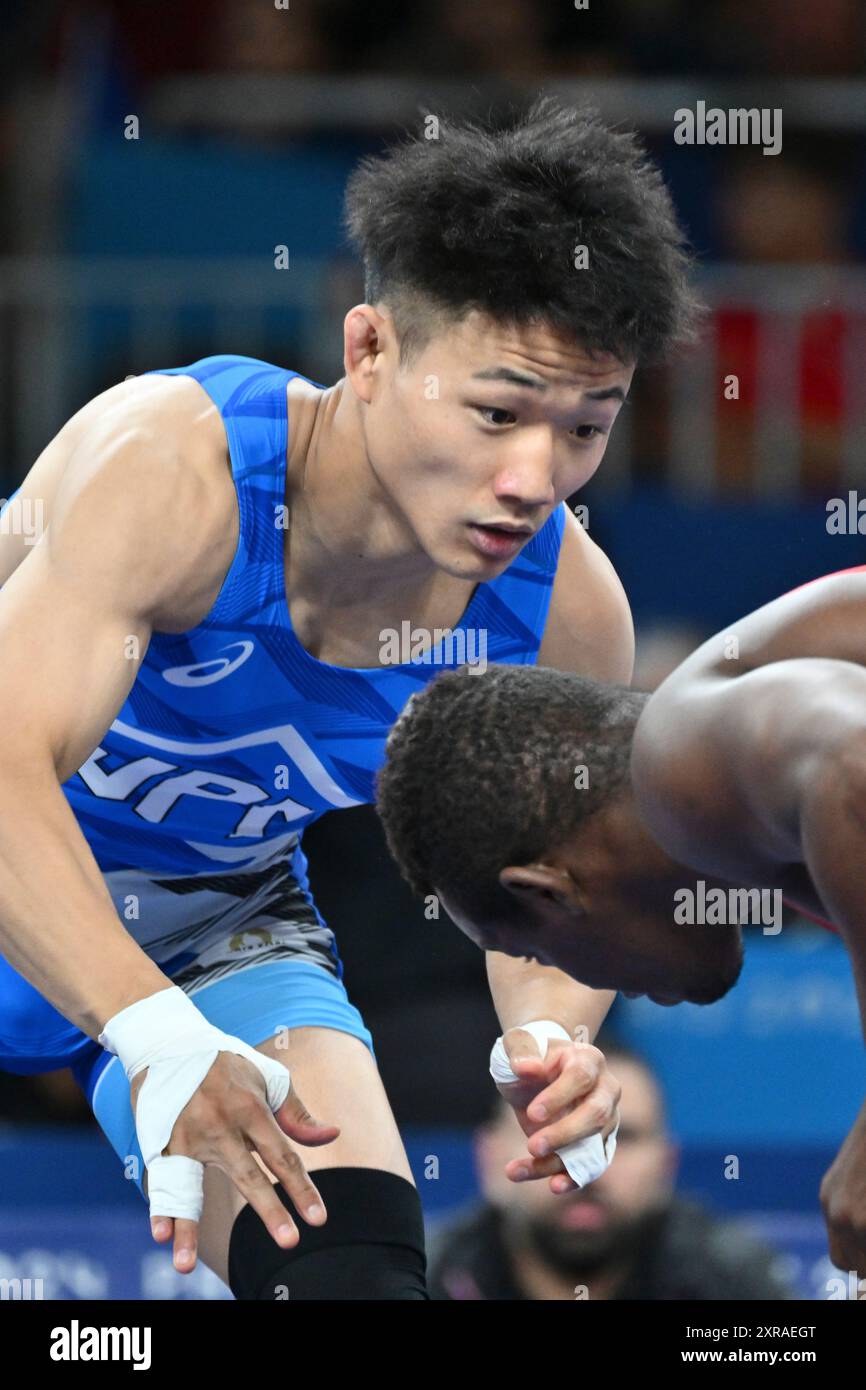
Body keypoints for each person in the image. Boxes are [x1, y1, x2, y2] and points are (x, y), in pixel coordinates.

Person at [0, 96, 699, 1299]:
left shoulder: (560, 611)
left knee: (355, 1282)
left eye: (585, 426)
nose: (535, 476)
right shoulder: (178, 470)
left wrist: (550, 1033)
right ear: (370, 351)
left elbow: (554, 887)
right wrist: (148, 1030)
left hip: (208, 925)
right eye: (496, 412)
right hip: (35, 867)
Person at [375, 563, 866, 1275]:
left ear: (549, 891)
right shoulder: (735, 773)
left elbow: (851, 763)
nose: (596, 990)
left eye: (541, 958)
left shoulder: (675, 756)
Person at [427, 1039, 796, 1301]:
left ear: (667, 1164)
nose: (586, 1168)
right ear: (487, 1159)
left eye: (619, 1137)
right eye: (551, 1134)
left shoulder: (732, 1280)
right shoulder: (423, 1279)